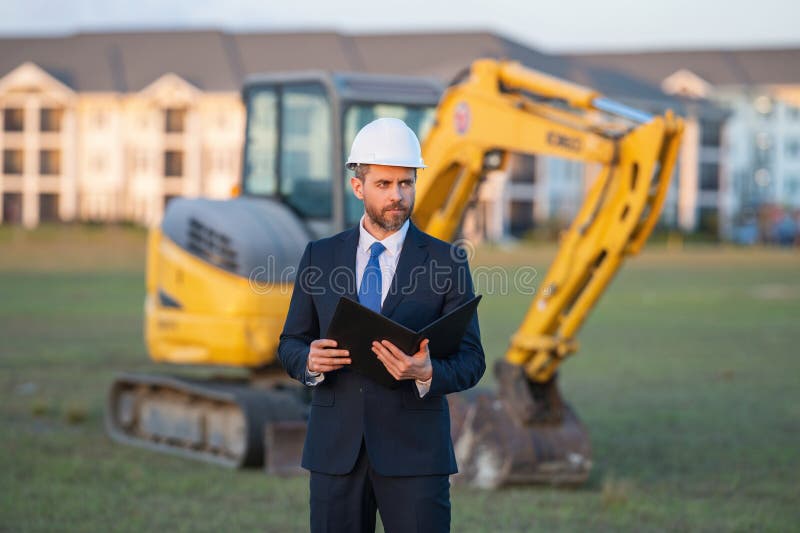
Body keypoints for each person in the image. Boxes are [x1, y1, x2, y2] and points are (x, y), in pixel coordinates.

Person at [278, 117, 485, 533]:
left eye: (405, 183)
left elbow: (471, 360)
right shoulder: (319, 256)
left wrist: (428, 373)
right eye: (384, 185)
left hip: (416, 454)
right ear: (359, 187)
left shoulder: (447, 261)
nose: (397, 196)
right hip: (336, 453)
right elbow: (290, 344)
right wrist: (310, 361)